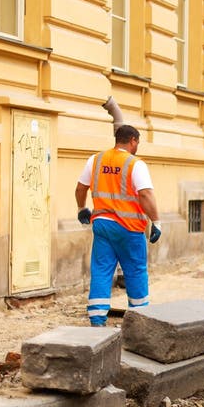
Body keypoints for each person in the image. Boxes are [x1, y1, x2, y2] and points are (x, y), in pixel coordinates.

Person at [75, 125, 161, 326]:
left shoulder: (95, 160)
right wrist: (156, 221)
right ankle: (139, 320)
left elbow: (80, 188)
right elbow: (145, 194)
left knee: (101, 270)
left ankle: (97, 320)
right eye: (137, 142)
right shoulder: (135, 164)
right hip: (129, 228)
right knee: (135, 271)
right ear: (133, 140)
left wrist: (81, 208)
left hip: (102, 225)